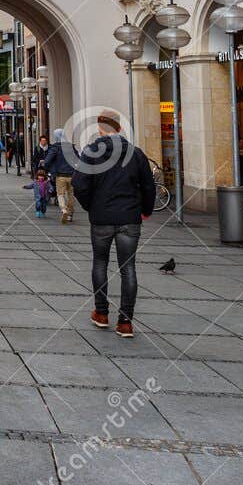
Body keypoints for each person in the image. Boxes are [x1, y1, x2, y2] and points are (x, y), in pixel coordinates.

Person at [71, 113, 156, 337]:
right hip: (129, 218)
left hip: (101, 218)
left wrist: (91, 206)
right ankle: (125, 322)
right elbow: (149, 186)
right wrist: (145, 210)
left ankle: (101, 313)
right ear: (119, 128)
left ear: (100, 130)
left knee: (100, 263)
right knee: (128, 267)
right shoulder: (136, 154)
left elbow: (78, 184)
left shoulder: (91, 153)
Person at [45, 128, 77, 224]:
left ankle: (63, 210)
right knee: (71, 195)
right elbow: (78, 159)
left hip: (60, 175)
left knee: (60, 194)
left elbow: (47, 161)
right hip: (72, 175)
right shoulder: (71, 147)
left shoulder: (55, 148)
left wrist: (49, 170)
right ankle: (70, 214)